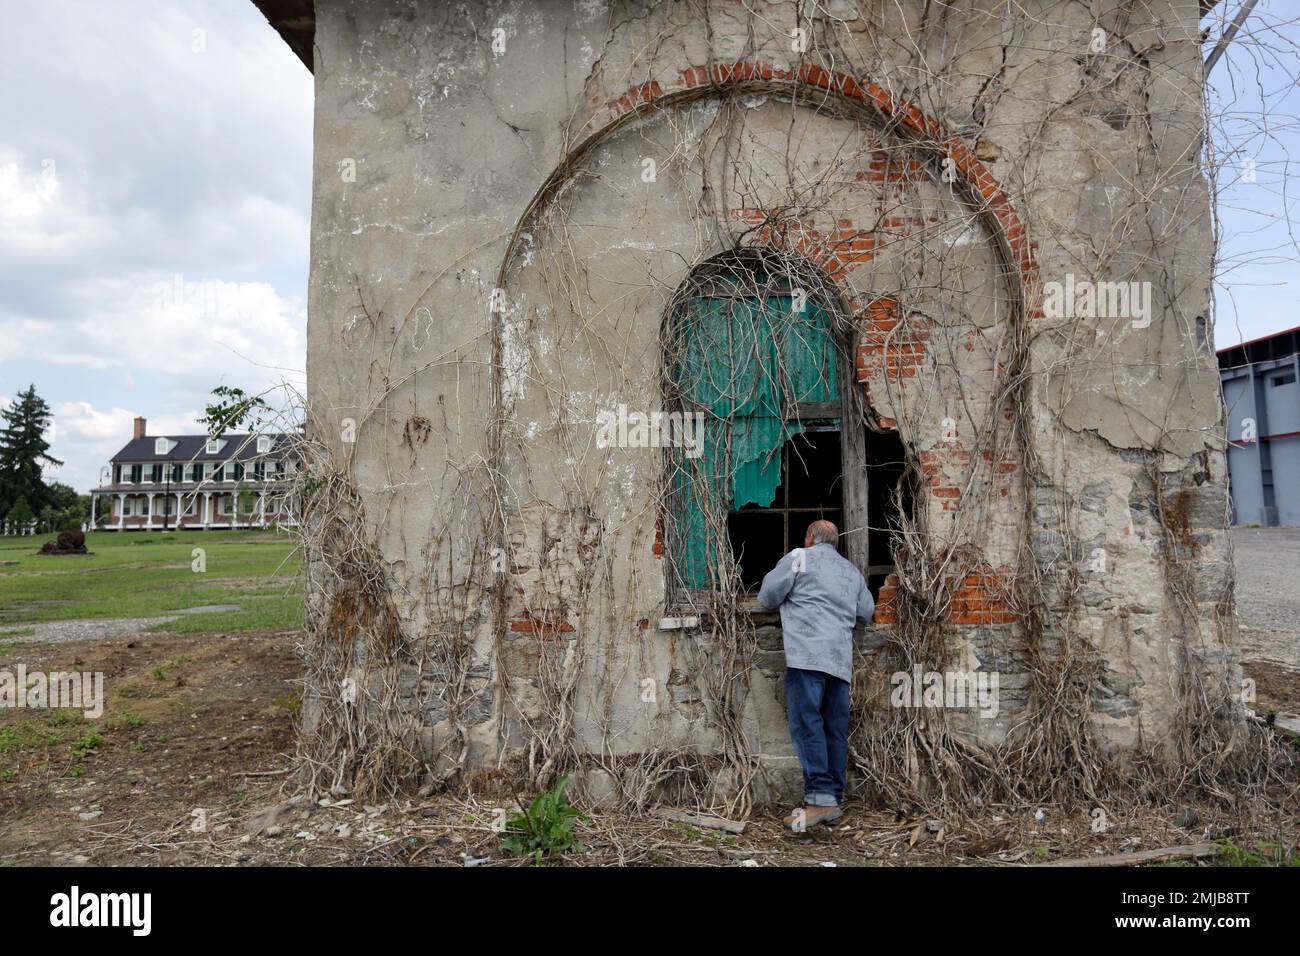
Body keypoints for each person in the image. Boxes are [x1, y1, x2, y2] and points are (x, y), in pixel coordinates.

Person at [757, 519, 874, 830]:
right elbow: (867, 613)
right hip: (839, 662)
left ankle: (819, 802)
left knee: (808, 725)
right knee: (834, 730)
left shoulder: (799, 557)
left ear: (810, 537)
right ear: (834, 543)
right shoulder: (851, 571)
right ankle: (832, 800)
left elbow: (767, 596)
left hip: (807, 657)